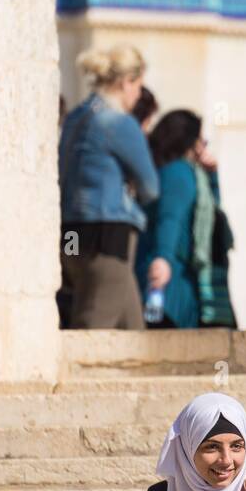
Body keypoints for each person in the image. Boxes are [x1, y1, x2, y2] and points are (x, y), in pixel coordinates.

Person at [59, 46, 159, 329]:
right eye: (138, 85)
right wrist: (128, 186)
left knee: (131, 330)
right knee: (94, 324)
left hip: (71, 233)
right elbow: (150, 186)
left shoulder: (77, 116)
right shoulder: (119, 123)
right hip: (107, 235)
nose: (139, 94)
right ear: (126, 82)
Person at [136, 109, 237, 329]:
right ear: (191, 142)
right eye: (202, 140)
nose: (204, 146)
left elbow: (212, 215)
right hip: (170, 280)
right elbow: (170, 218)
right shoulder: (179, 173)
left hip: (179, 275)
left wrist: (212, 177)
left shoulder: (183, 173)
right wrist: (163, 258)